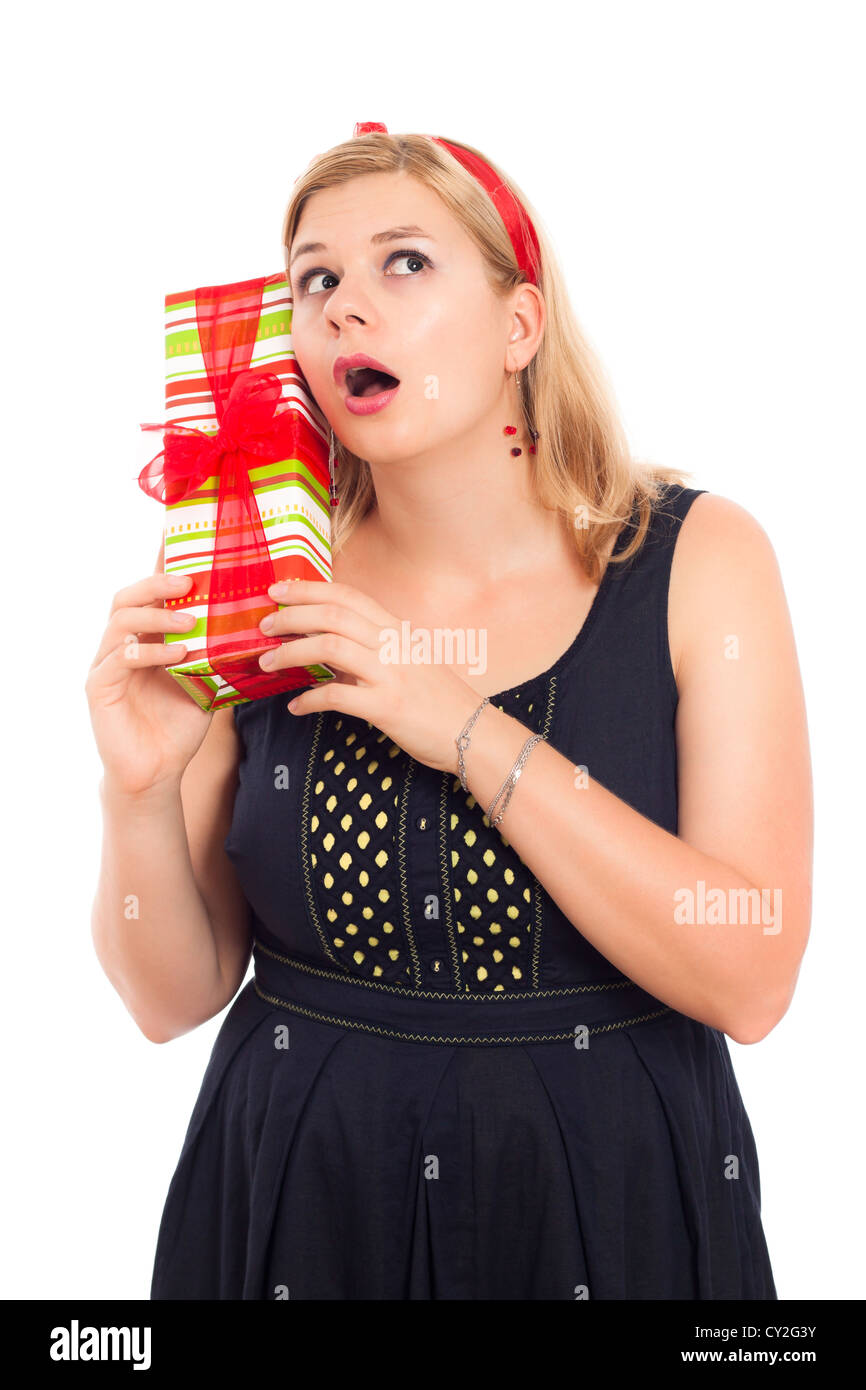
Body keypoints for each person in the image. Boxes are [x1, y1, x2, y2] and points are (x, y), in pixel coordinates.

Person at [86, 126, 812, 1300]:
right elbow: (173, 996)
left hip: (604, 1204)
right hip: (301, 1207)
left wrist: (465, 727)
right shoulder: (266, 572)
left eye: (403, 263)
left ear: (518, 325)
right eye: (314, 277)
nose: (342, 309)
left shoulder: (695, 560)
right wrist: (136, 793)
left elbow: (752, 977)